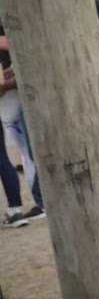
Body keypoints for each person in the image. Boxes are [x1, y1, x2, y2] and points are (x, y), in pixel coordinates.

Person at [0, 22, 43, 225]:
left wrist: (4, 82)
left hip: (31, 99)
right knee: (27, 154)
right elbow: (19, 65)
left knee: (33, 154)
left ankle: (41, 202)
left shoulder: (23, 35)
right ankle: (35, 202)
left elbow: (28, 65)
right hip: (22, 99)